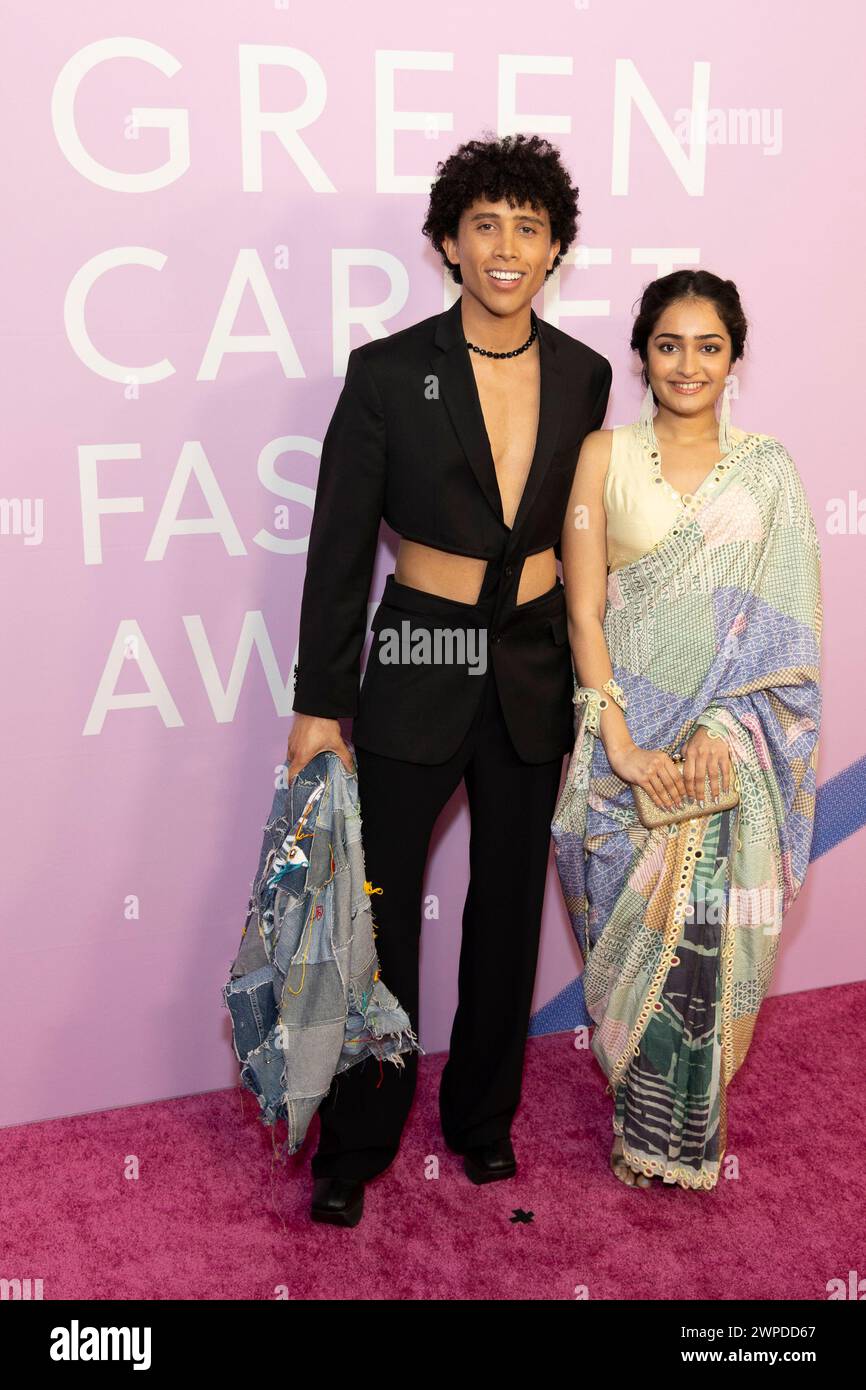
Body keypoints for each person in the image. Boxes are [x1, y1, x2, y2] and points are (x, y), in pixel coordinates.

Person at [287, 133, 612, 1226]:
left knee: (509, 911)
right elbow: (339, 549)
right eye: (484, 224)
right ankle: (357, 1141)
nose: (506, 246)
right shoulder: (387, 372)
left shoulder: (585, 373)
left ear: (554, 246)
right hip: (419, 654)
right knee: (373, 920)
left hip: (529, 665)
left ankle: (482, 1122)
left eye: (527, 226)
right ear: (446, 244)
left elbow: (581, 532)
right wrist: (317, 704)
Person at [552, 270, 822, 1191]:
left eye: (709, 346)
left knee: (701, 944)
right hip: (623, 746)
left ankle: (674, 1138)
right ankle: (639, 1109)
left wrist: (720, 722)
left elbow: (786, 633)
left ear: (734, 357)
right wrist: (621, 747)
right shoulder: (604, 454)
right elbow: (583, 612)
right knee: (626, 944)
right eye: (670, 344)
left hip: (723, 755)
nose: (688, 364)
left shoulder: (769, 472)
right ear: (643, 354)